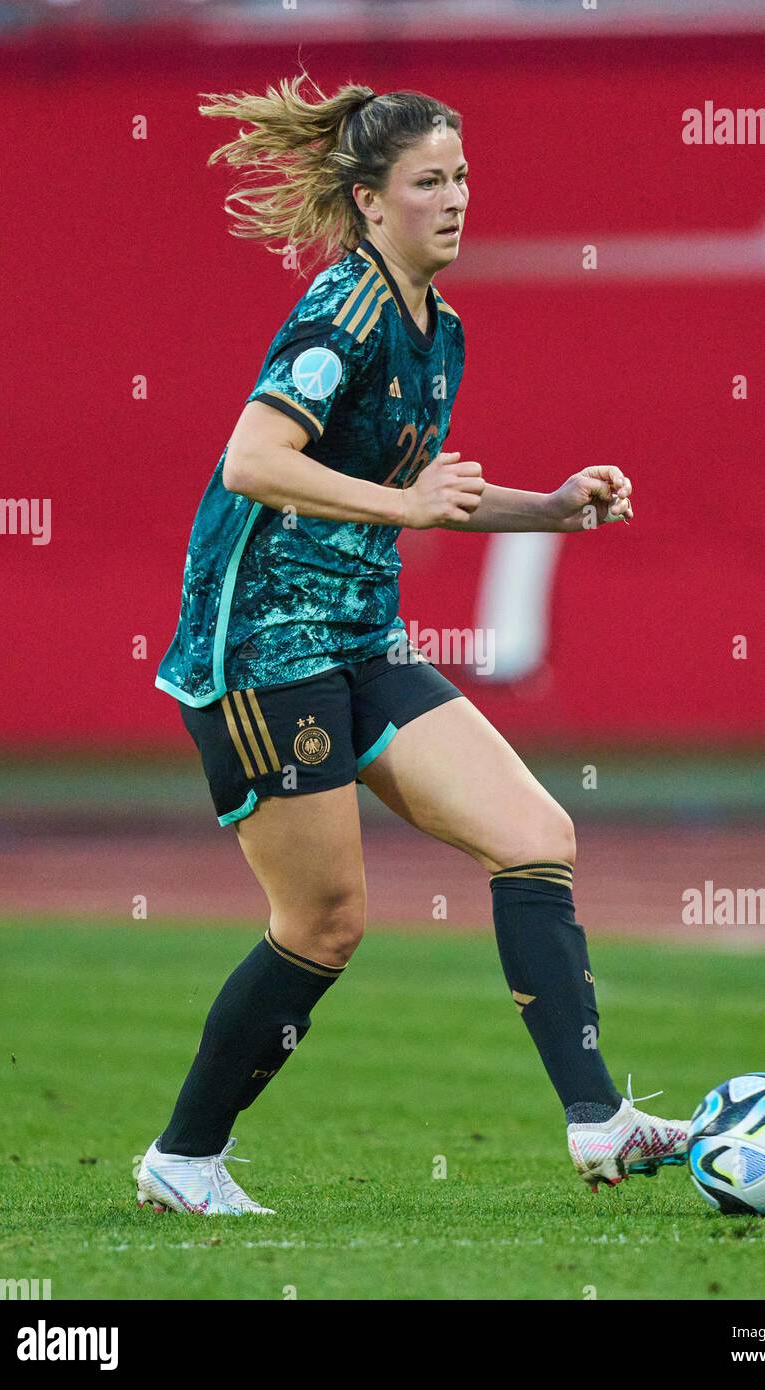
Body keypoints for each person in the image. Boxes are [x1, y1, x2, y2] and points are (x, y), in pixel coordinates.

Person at [137, 72, 687, 1216]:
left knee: (535, 831)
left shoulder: (440, 331)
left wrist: (550, 506)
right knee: (326, 922)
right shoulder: (340, 315)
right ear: (371, 203)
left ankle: (599, 1123)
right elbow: (251, 458)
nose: (454, 198)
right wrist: (403, 510)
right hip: (260, 649)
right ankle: (182, 1161)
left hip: (357, 637)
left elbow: (423, 491)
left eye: (462, 176)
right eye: (427, 182)